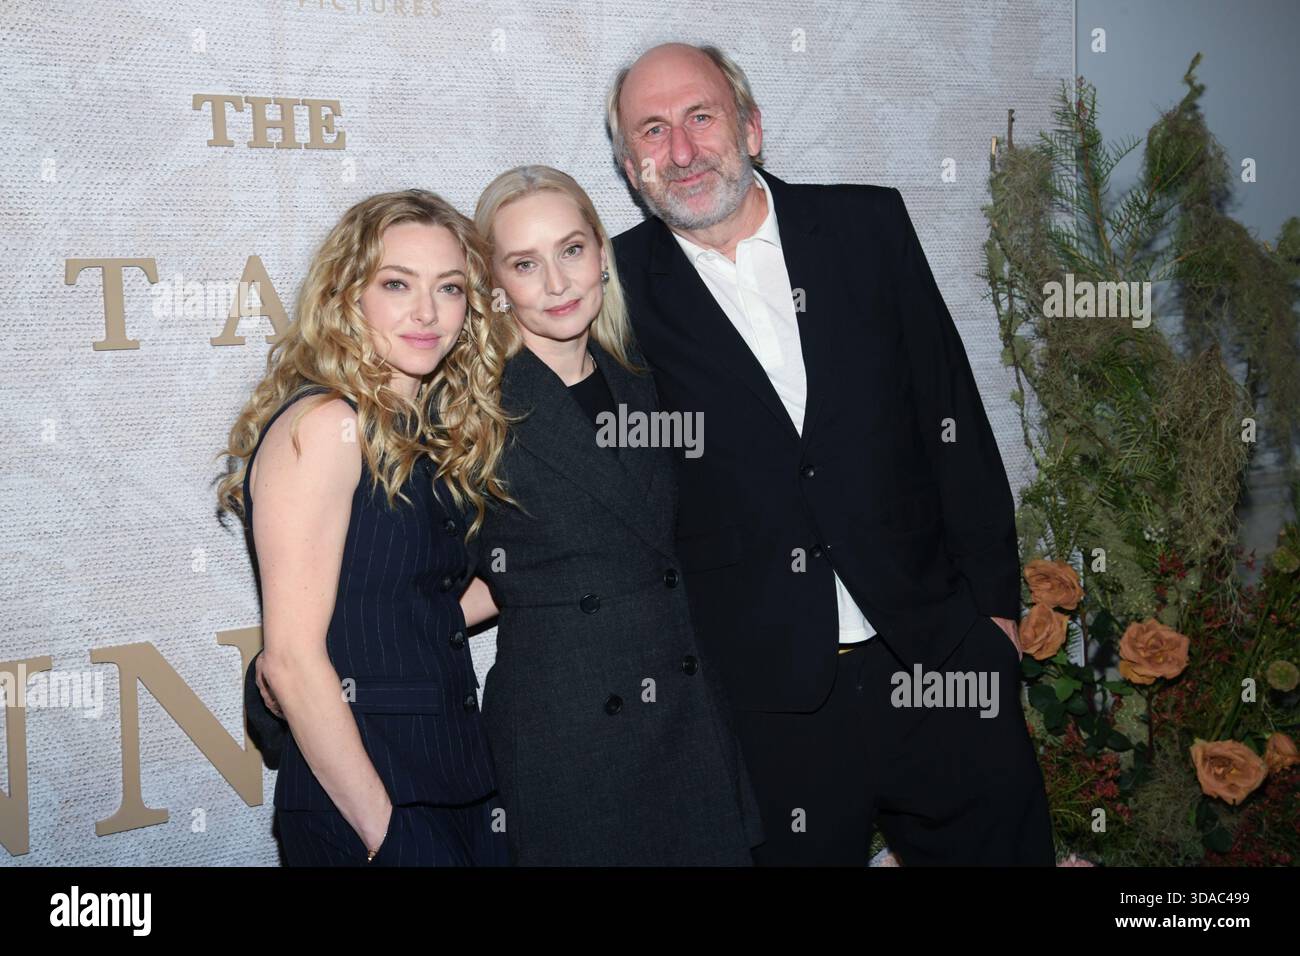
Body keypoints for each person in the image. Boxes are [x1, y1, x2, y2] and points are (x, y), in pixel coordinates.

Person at [605, 42, 1057, 865]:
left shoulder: (865, 226)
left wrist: (995, 620)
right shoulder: (611, 288)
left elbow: (951, 416)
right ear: (631, 167)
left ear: (751, 125)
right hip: (767, 705)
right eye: (653, 131)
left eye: (701, 118)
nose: (682, 150)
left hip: (940, 660)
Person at [455, 164, 763, 865]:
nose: (558, 283)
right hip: (567, 740)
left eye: (571, 250)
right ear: (494, 285)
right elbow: (429, 581)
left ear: (601, 253)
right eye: (525, 264)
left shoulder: (648, 380)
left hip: (688, 724)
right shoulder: (472, 413)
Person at [219, 189, 515, 866]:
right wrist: (388, 834)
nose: (427, 312)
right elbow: (291, 661)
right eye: (396, 284)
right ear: (347, 295)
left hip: (456, 777)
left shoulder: (427, 431)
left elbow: (406, 606)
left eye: (449, 288)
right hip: (368, 794)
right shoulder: (325, 425)